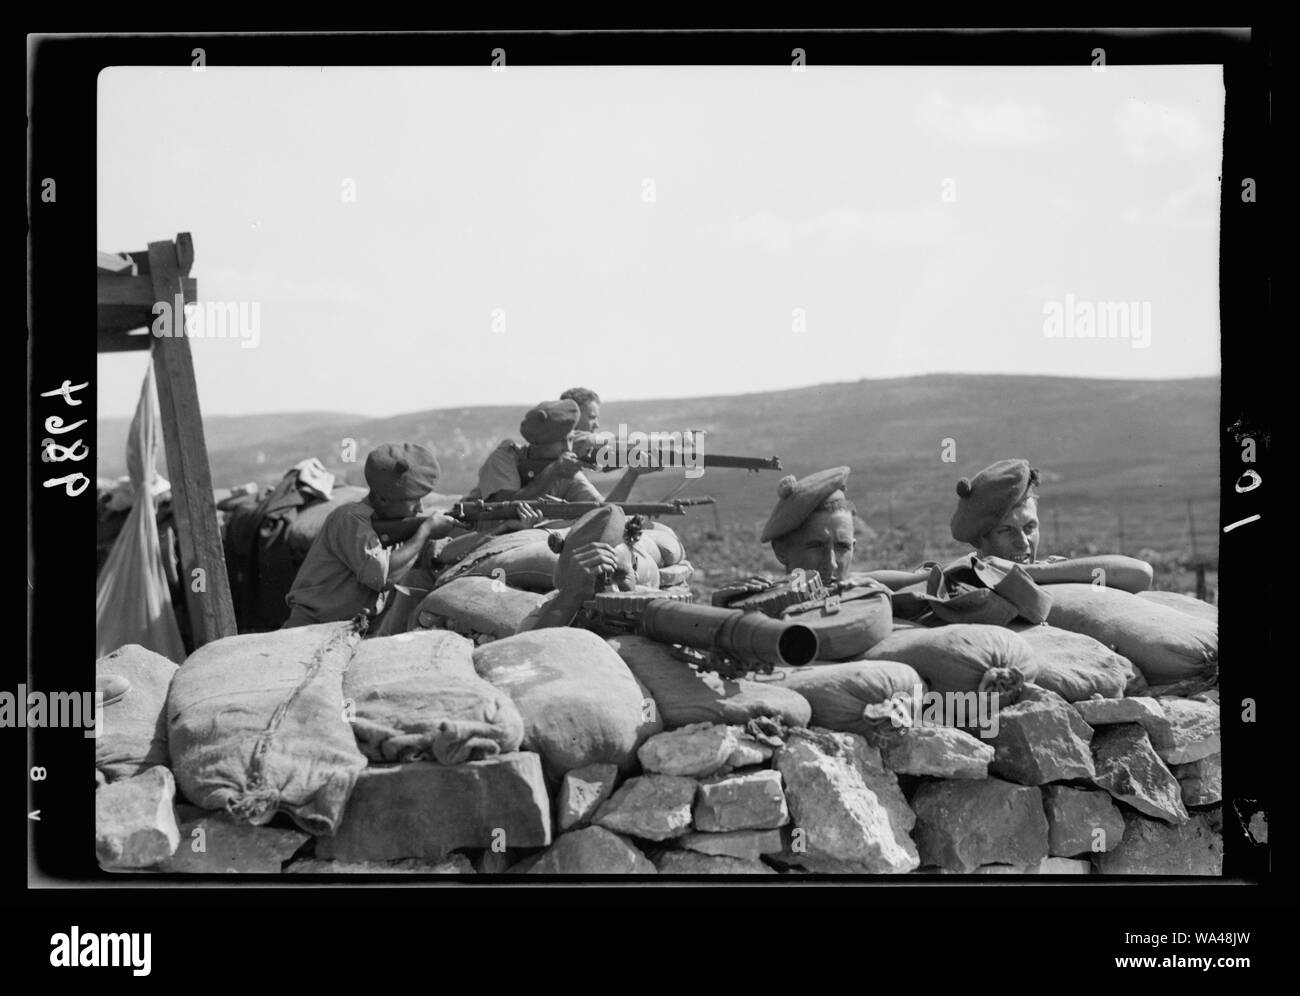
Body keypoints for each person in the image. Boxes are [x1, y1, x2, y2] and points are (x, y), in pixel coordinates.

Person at [283, 443, 460, 627]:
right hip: (311, 627)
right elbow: (382, 577)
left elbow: (420, 556)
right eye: (412, 501)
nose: (420, 508)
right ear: (382, 499)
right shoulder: (349, 519)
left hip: (350, 627)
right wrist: (425, 531)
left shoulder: (393, 522)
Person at [948, 457, 1152, 592]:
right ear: (978, 539)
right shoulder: (962, 579)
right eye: (1006, 530)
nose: (1023, 543)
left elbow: (1140, 574)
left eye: (1030, 527)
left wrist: (1034, 573)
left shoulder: (1050, 571)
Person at [710, 467, 862, 606]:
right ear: (781, 551)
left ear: (853, 548)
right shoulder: (759, 612)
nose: (832, 563)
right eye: (816, 546)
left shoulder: (869, 600)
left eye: (843, 547)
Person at [464, 398, 604, 506]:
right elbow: (505, 508)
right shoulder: (506, 456)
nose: (567, 448)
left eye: (571, 440)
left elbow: (602, 508)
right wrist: (552, 473)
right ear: (540, 444)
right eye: (561, 441)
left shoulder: (564, 470)